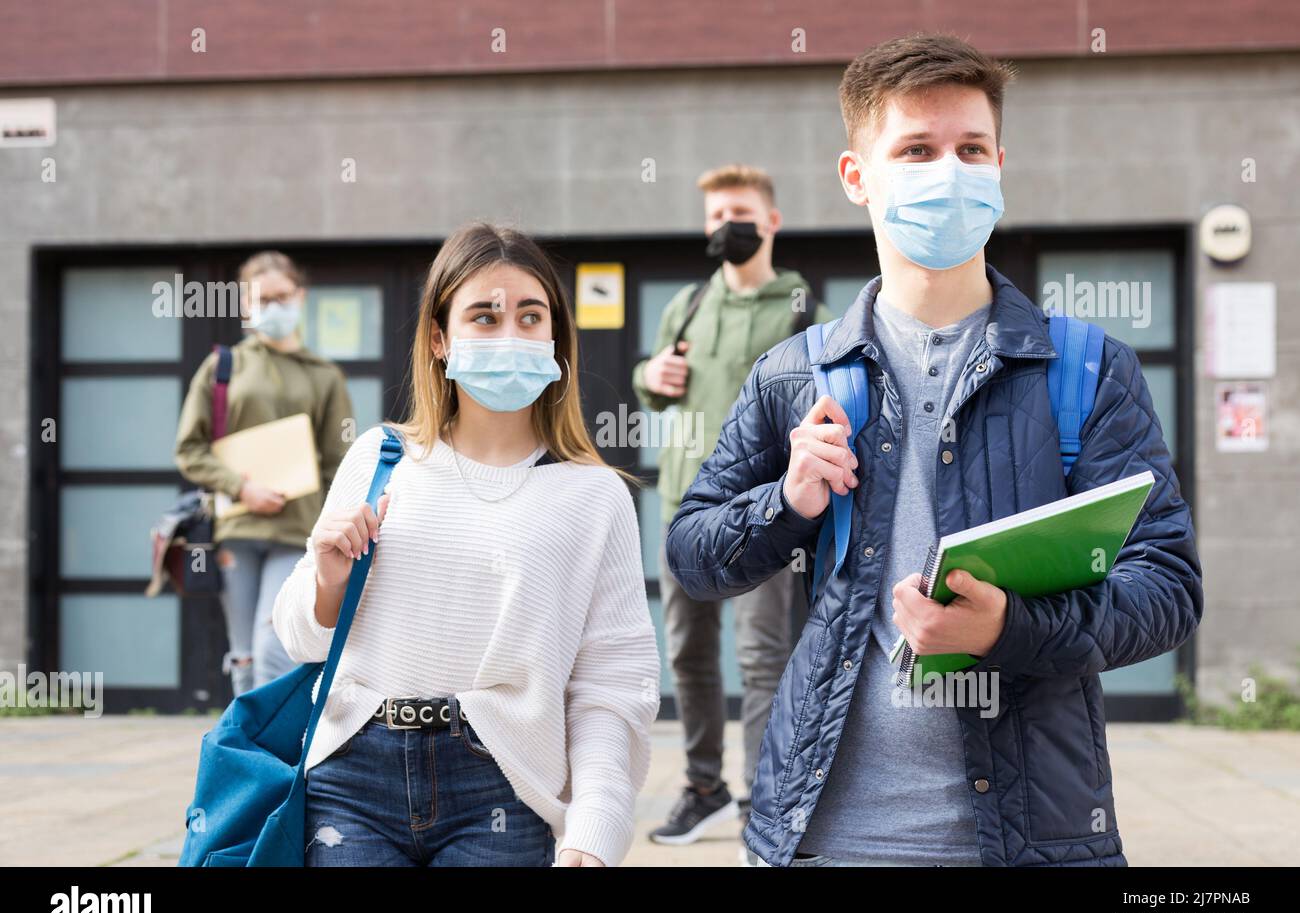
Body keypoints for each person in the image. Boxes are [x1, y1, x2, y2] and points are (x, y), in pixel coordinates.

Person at [666, 33, 1203, 866]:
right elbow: (692, 557)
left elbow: (1166, 586)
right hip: (822, 837)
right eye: (916, 149)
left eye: (970, 149)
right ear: (858, 178)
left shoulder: (1087, 371)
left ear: (998, 168)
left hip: (1032, 840)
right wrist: (787, 502)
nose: (947, 171)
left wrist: (1012, 629)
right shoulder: (795, 374)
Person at [271, 221, 661, 867]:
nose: (510, 334)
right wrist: (326, 582)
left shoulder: (596, 497)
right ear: (439, 338)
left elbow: (612, 686)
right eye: (484, 316)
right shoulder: (380, 458)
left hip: (502, 787)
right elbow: (297, 637)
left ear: (556, 339)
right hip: (351, 782)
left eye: (531, 316)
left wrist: (594, 831)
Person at [634, 164, 835, 849]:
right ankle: (704, 790)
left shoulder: (804, 308)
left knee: (761, 657)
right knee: (688, 656)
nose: (727, 226)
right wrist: (648, 375)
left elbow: (840, 394)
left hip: (763, 518)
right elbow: (654, 386)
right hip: (683, 509)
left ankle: (765, 799)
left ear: (771, 221)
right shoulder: (686, 304)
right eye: (716, 216)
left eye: (739, 213)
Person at [175, 251, 354, 696]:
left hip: (297, 530)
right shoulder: (222, 368)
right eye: (263, 299)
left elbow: (341, 462)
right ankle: (244, 750)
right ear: (245, 305)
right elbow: (190, 449)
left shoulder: (324, 375)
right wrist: (242, 487)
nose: (274, 307)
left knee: (272, 642)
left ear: (300, 297)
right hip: (237, 527)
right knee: (243, 653)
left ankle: (269, 754)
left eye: (282, 296)